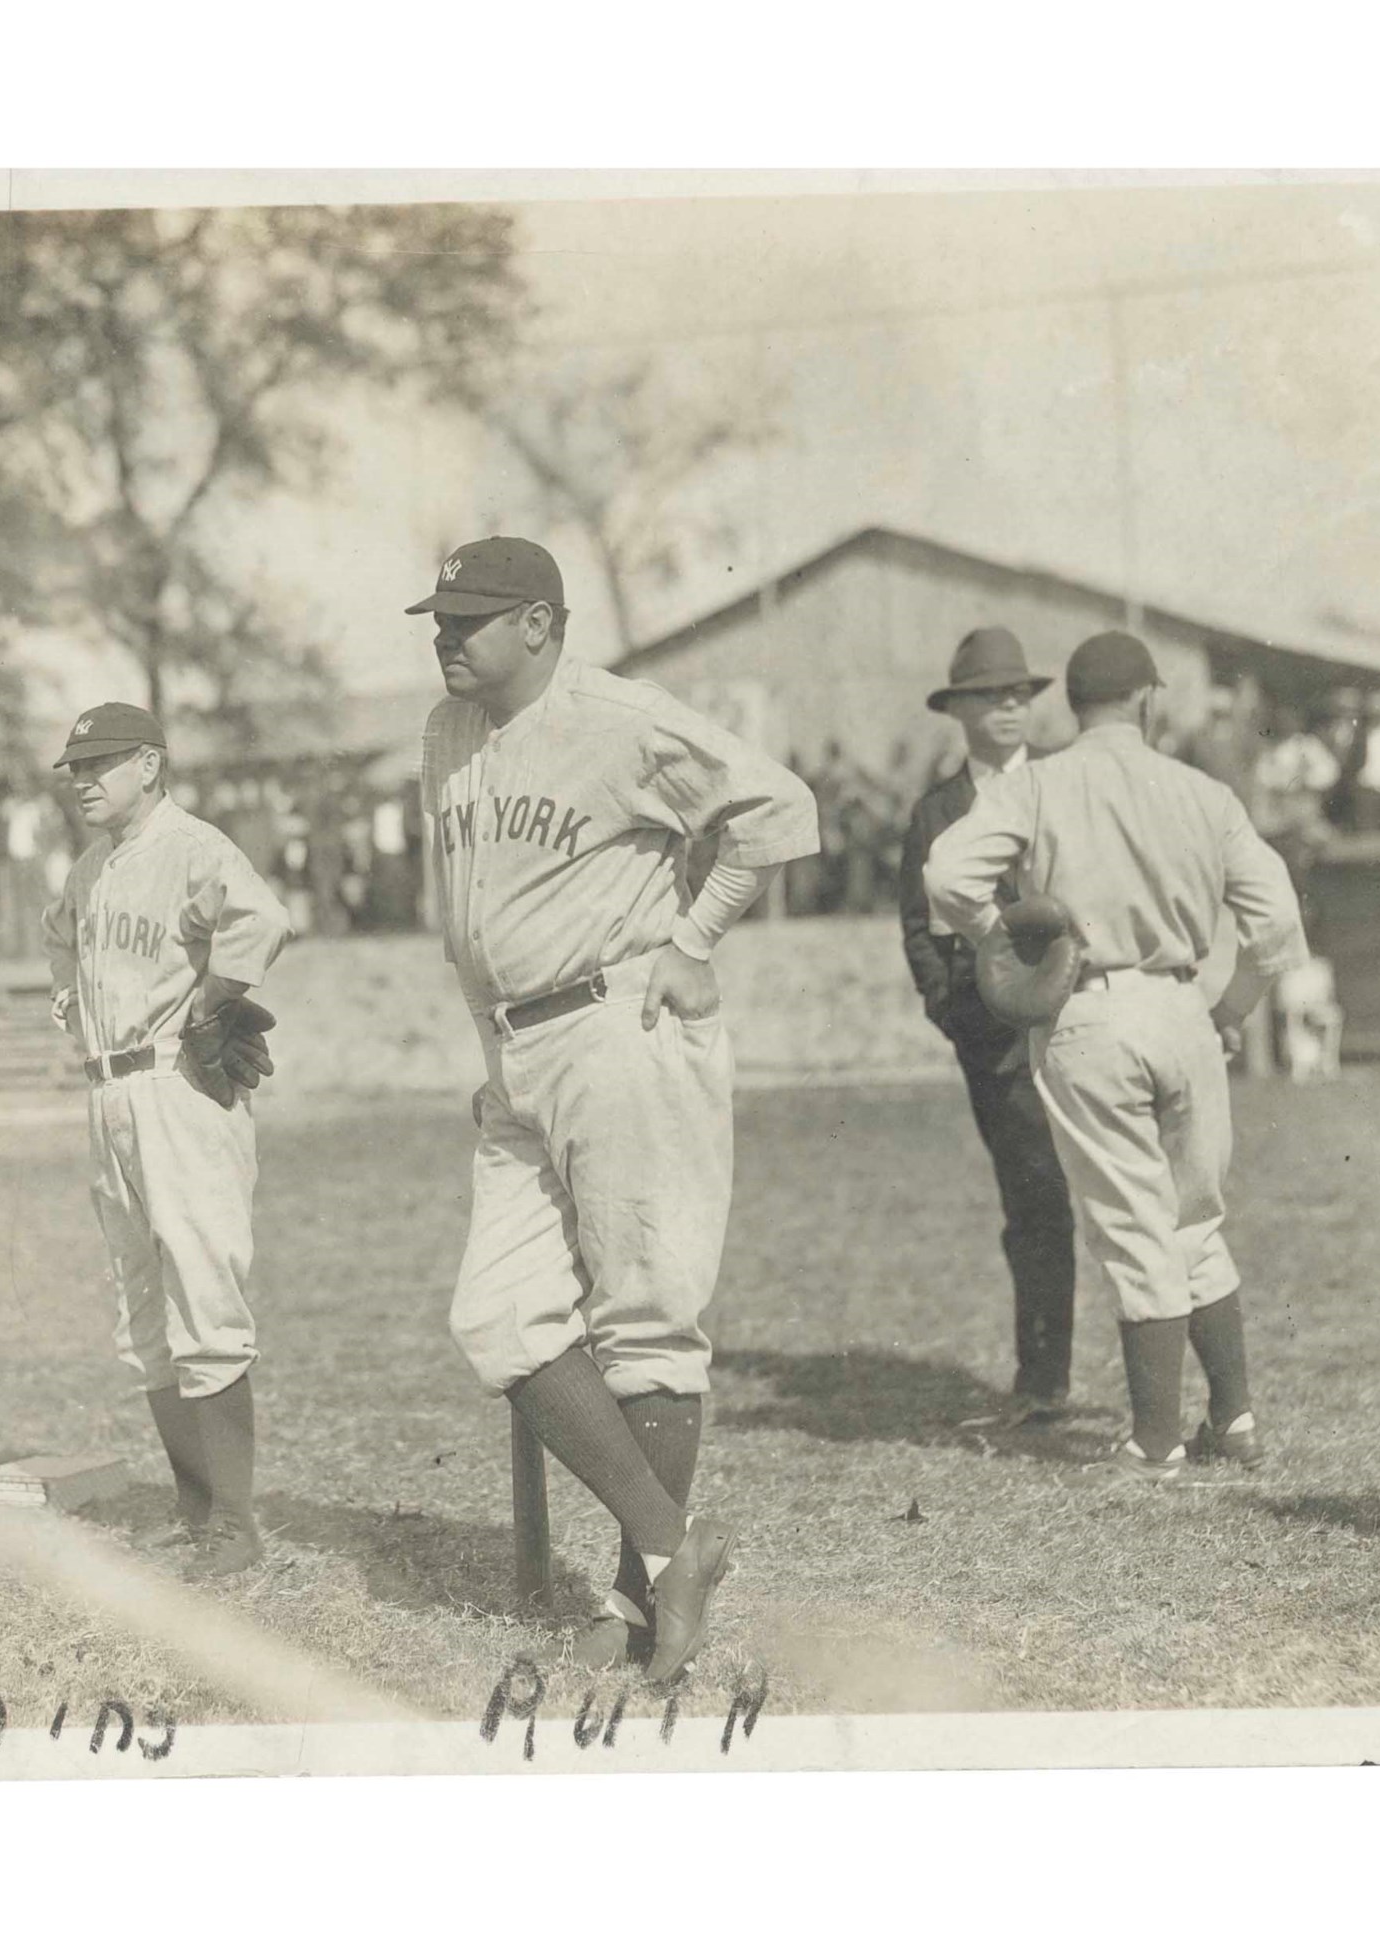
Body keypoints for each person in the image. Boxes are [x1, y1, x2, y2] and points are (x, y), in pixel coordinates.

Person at [408, 537, 823, 1681]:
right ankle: (675, 1546)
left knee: (644, 1320)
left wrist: (695, 939)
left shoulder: (624, 718)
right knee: (499, 1318)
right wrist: (493, 1040)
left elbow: (778, 809)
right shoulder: (446, 732)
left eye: (471, 619)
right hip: (519, 1050)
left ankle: (635, 1608)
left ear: (540, 623)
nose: (446, 637)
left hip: (621, 1025)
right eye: (439, 619)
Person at [923, 632, 1309, 1482]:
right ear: (1146, 701)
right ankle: (1234, 1420)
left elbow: (948, 874)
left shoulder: (1038, 784)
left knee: (1136, 1226)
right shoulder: (1202, 792)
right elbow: (1277, 922)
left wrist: (1004, 937)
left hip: (1089, 1005)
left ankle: (1157, 1444)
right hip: (1183, 1003)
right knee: (1193, 1218)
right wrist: (1234, 1006)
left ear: (1074, 706)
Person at [42, 703, 293, 1577]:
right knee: (141, 1304)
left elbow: (260, 921)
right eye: (75, 766)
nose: (83, 778)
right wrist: (72, 1014)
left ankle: (235, 1522)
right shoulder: (89, 868)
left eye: (101, 762)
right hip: (108, 1088)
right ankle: (195, 1506)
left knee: (202, 1293)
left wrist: (211, 1007)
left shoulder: (194, 846)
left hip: (177, 1084)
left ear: (150, 764)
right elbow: (59, 948)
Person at [897, 628, 1078, 1418]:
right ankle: (1043, 1379)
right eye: (991, 694)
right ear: (958, 708)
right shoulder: (936, 810)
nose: (1009, 707)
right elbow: (916, 928)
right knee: (1033, 1196)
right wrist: (954, 1010)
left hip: (1083, 1021)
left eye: (1019, 693)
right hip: (993, 1037)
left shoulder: (1065, 787)